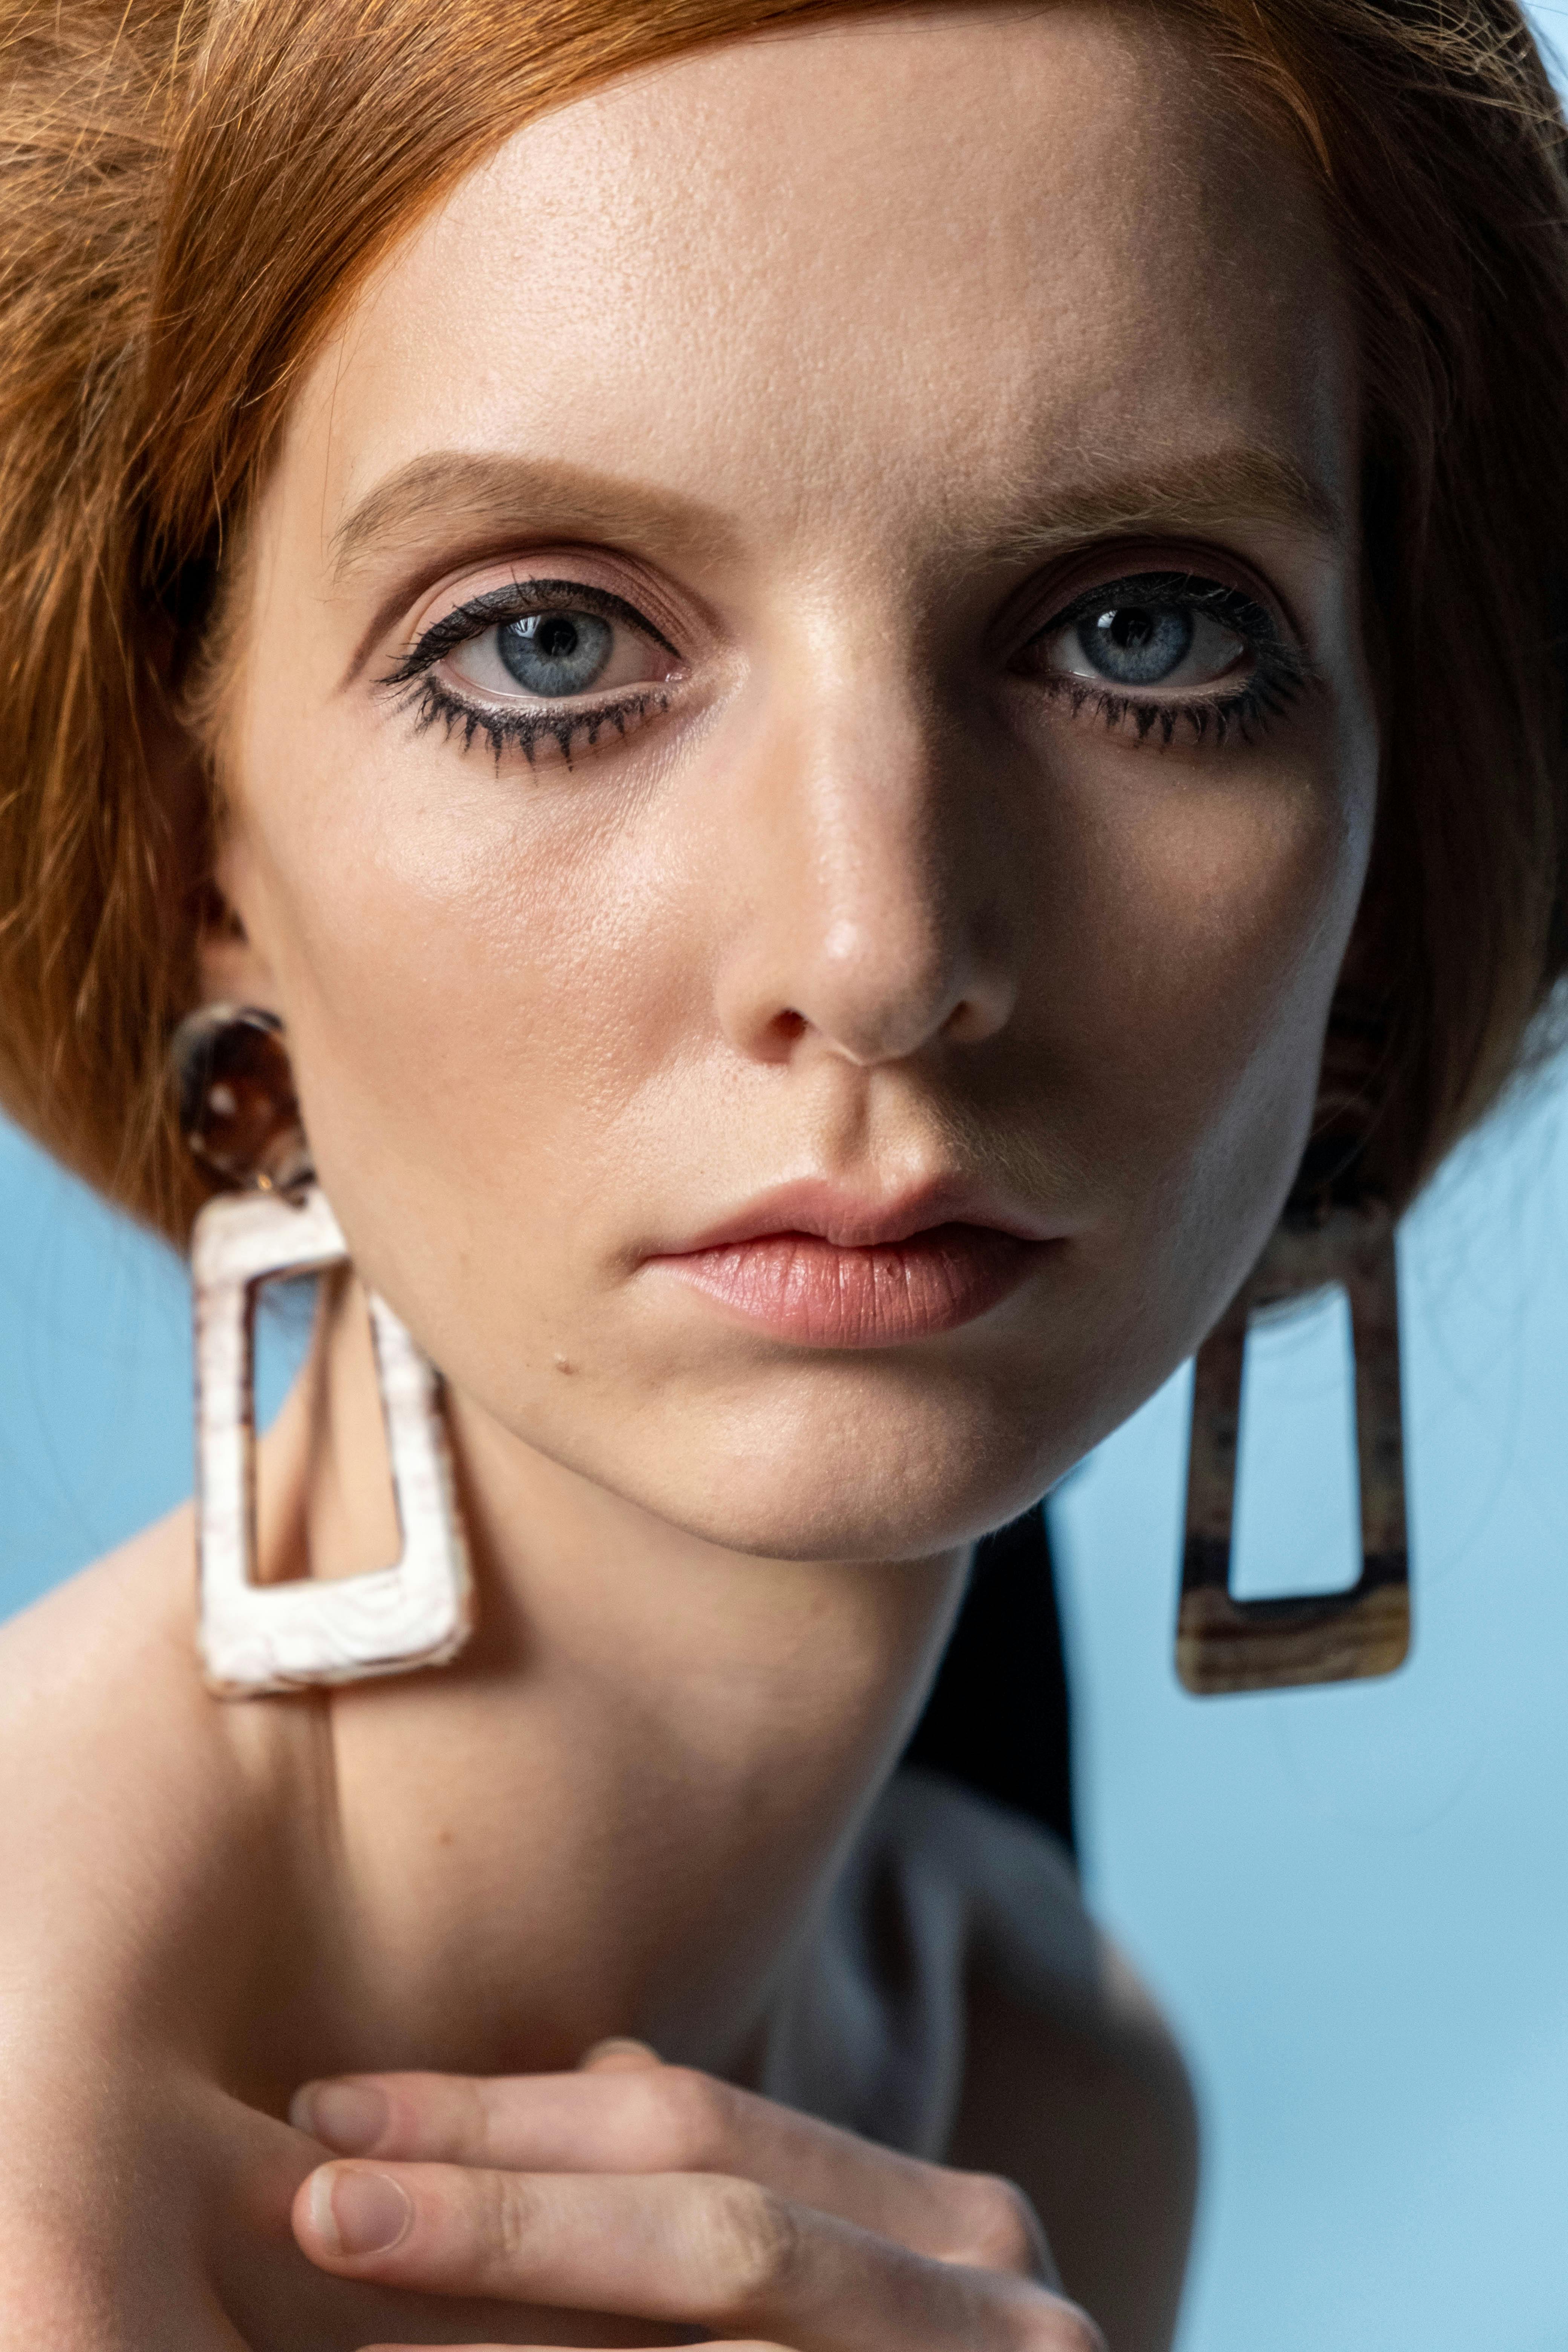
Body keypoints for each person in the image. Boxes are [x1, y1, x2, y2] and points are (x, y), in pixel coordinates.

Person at [0, 0, 1564, 2344]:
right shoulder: (44, 2188)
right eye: (547, 646)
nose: (884, 948)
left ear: (1392, 845)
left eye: (1144, 632)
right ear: (193, 829)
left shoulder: (1052, 2087)